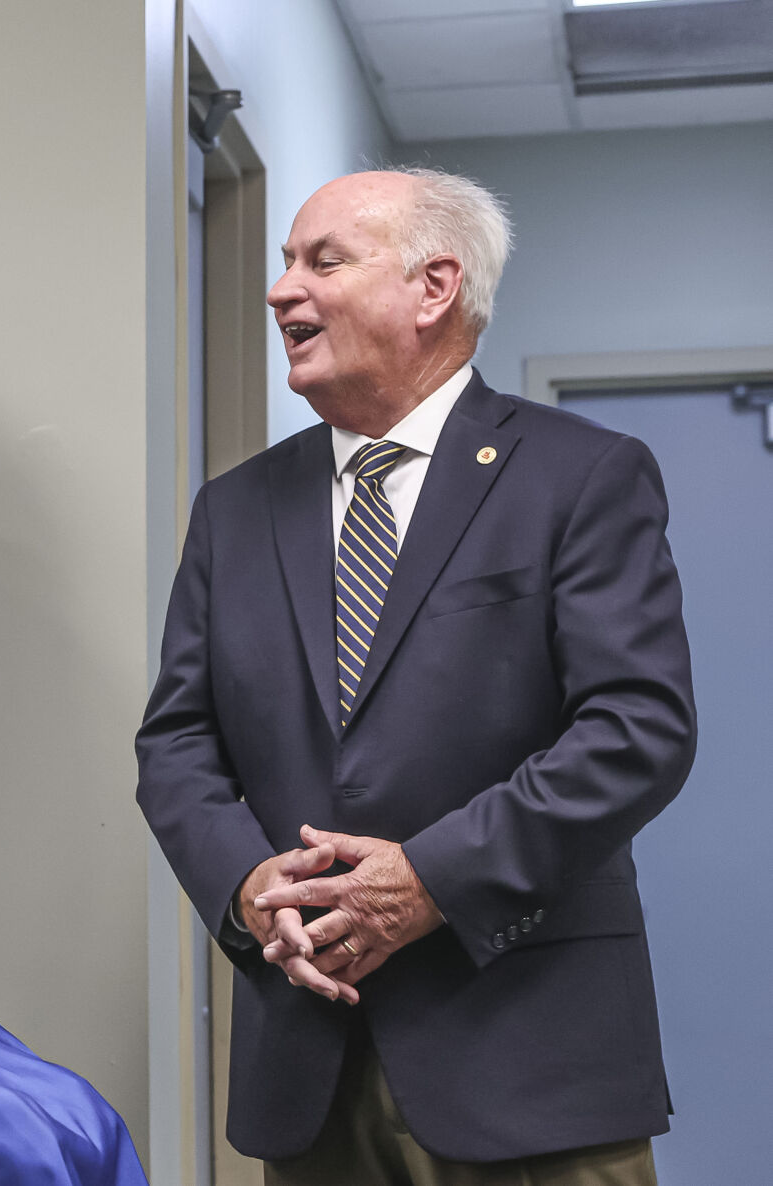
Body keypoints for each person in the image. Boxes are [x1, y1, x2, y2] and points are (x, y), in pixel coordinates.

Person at [135, 167, 695, 1183]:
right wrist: (247, 884)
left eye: (322, 261)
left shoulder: (580, 475)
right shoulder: (233, 510)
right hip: (309, 1066)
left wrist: (432, 878)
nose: (281, 290)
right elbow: (176, 742)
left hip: (530, 1060)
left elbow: (635, 732)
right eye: (284, 263)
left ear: (433, 287)